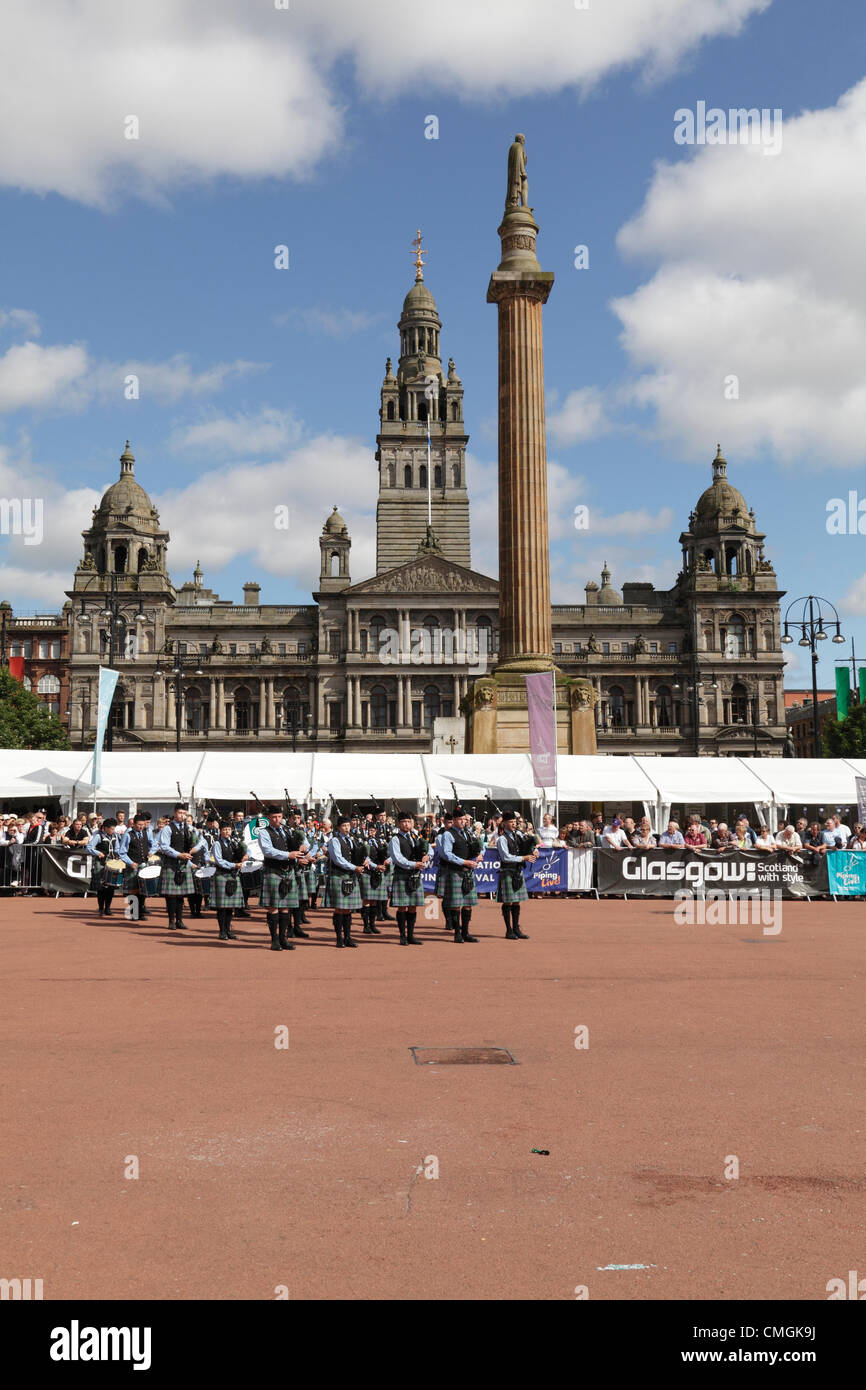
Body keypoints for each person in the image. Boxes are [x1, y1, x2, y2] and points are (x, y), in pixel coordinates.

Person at [258, 804, 308, 952]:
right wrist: (288, 855)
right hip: (273, 871)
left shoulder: (287, 830)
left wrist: (303, 849)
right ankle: (274, 940)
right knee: (274, 907)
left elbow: (303, 841)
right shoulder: (264, 832)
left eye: (279, 816)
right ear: (268, 818)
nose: (277, 819)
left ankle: (283, 938)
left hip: (288, 871)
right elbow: (268, 851)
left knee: (285, 907)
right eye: (274, 817)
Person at [439, 806, 484, 944]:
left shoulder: (468, 833)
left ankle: (466, 932)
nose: (463, 822)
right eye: (460, 819)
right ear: (453, 820)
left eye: (464, 819)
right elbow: (447, 854)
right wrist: (464, 862)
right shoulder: (448, 834)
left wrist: (480, 854)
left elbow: (480, 846)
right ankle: (457, 933)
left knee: (468, 904)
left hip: (468, 873)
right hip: (455, 872)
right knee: (455, 904)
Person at [388, 811, 430, 945]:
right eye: (404, 822)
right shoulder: (395, 839)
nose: (407, 824)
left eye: (409, 821)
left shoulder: (416, 836)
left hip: (415, 875)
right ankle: (402, 936)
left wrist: (427, 856)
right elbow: (397, 858)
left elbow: (429, 849)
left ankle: (411, 935)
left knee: (413, 906)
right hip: (402, 874)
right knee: (402, 907)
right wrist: (414, 864)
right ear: (399, 824)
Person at [495, 808, 537, 939]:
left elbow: (526, 846)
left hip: (517, 871)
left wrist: (533, 850)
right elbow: (505, 857)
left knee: (517, 901)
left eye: (515, 821)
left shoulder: (518, 835)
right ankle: (508, 930)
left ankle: (516, 928)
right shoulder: (502, 839)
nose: (514, 824)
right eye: (511, 822)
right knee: (508, 902)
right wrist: (523, 858)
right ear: (505, 823)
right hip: (507, 872)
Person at [328, 813, 367, 948]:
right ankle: (339, 938)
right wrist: (354, 867)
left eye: (348, 825)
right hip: (339, 876)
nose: (347, 828)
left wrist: (364, 861)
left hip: (351, 876)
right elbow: (338, 859)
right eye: (344, 826)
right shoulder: (334, 841)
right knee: (340, 909)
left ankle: (348, 937)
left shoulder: (352, 840)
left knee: (348, 910)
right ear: (338, 827)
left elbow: (357, 854)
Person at [157, 803, 198, 930]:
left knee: (181, 895)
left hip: (184, 864)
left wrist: (194, 848)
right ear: (175, 813)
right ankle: (171, 921)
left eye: (184, 813)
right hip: (171, 864)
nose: (182, 815)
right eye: (180, 813)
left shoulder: (189, 828)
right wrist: (179, 855)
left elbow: (201, 840)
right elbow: (164, 846)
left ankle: (180, 920)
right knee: (171, 895)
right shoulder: (167, 829)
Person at [211, 821, 247, 940]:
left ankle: (228, 930)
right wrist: (233, 865)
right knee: (222, 907)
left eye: (229, 829)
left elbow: (245, 849)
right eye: (225, 829)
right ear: (220, 831)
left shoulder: (234, 842)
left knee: (230, 906)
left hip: (232, 875)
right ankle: (222, 931)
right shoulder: (217, 843)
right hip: (222, 875)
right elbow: (219, 861)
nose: (227, 832)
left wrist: (246, 855)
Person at [119, 812, 157, 921]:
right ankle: (133, 913)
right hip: (132, 866)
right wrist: (130, 862)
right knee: (133, 890)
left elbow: (153, 844)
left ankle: (140, 913)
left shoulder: (146, 832)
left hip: (144, 865)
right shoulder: (128, 834)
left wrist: (152, 851)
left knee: (143, 889)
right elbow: (122, 852)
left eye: (143, 824)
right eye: (139, 825)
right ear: (134, 824)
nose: (141, 827)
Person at [87, 817, 123, 916]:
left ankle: (108, 908)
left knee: (111, 887)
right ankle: (101, 909)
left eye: (114, 828)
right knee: (101, 887)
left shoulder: (115, 836)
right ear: (105, 828)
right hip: (101, 864)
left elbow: (118, 848)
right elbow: (89, 847)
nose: (113, 830)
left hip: (112, 863)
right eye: (111, 828)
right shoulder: (98, 836)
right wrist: (98, 853)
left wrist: (117, 855)